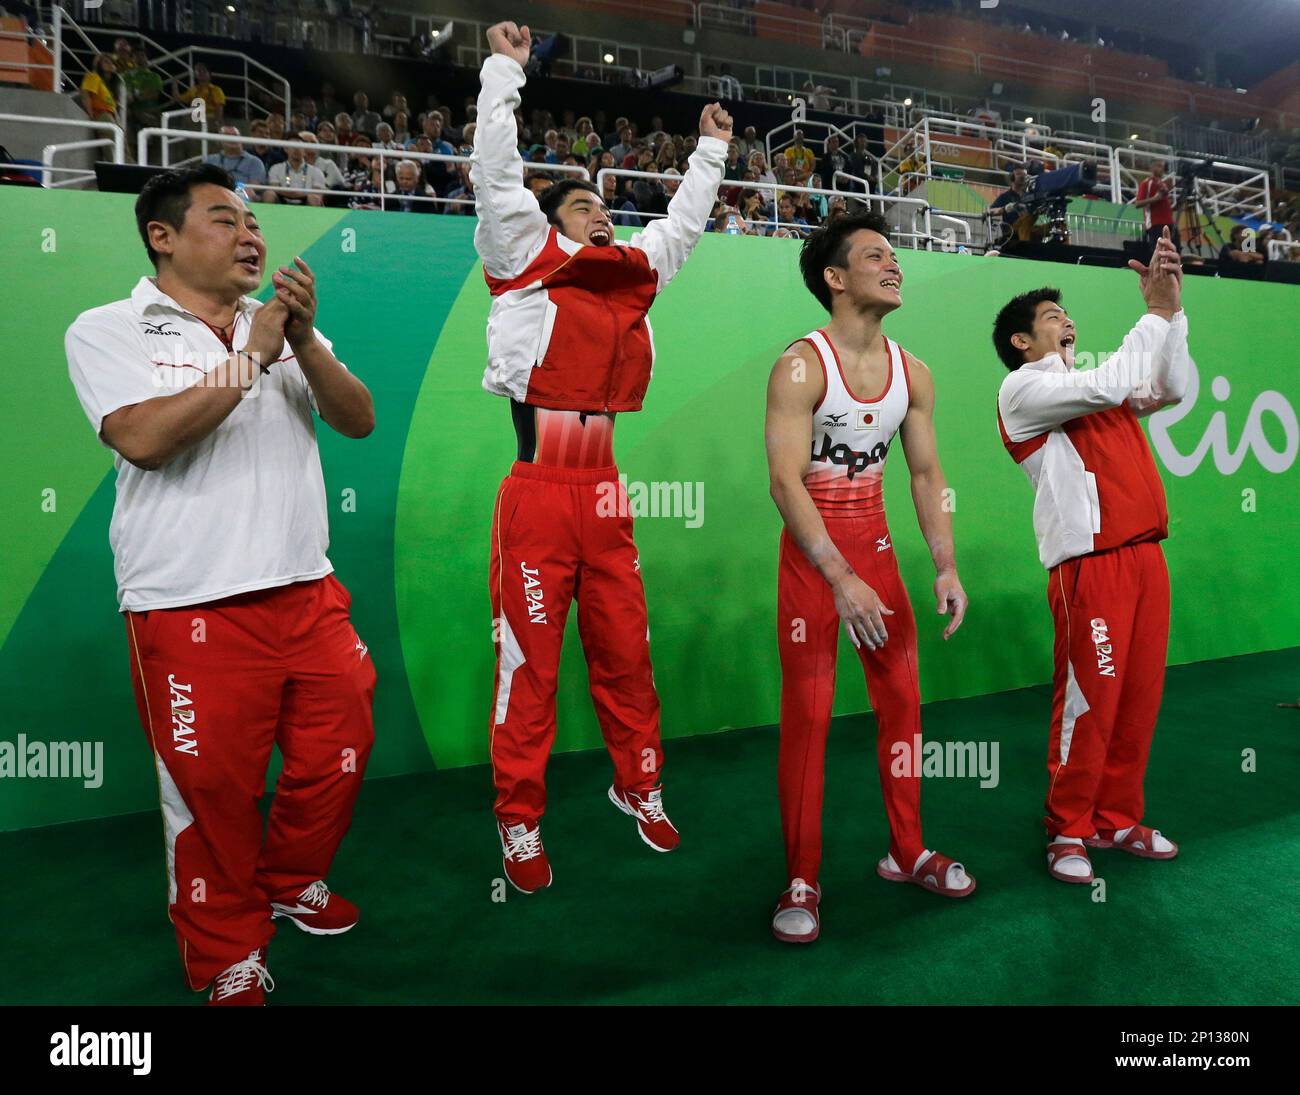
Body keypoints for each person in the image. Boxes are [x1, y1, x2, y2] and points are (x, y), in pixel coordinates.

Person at [63, 164, 376, 1004]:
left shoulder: (278, 328)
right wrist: (253, 357)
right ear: (162, 236)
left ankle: (290, 877)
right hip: (186, 603)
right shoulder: (108, 328)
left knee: (339, 754)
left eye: (253, 221)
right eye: (223, 219)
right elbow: (144, 439)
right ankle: (226, 947)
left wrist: (303, 340)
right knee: (212, 794)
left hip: (309, 590)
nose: (251, 235)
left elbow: (358, 418)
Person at [470, 21, 729, 892]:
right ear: (550, 221)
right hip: (539, 494)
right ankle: (518, 820)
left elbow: (683, 229)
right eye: (585, 207)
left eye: (604, 208)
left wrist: (711, 154)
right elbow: (495, 172)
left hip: (607, 497)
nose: (602, 216)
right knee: (530, 667)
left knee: (626, 652)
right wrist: (506, 70)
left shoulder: (632, 271)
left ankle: (640, 787)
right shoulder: (522, 257)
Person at [764, 210, 975, 944]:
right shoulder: (800, 364)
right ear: (834, 277)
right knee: (811, 720)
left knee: (902, 706)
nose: (895, 265)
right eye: (875, 255)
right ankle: (801, 877)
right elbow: (787, 484)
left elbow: (924, 473)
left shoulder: (912, 371)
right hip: (814, 563)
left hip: (878, 556)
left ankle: (907, 849)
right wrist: (836, 576)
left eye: (895, 255)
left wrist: (944, 563)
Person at [992, 228, 1190, 885]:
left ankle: (1118, 817)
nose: (1065, 318)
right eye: (1051, 317)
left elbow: (1172, 386)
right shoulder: (1024, 391)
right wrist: (1153, 314)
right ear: (1022, 341)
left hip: (1144, 560)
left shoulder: (1091, 384)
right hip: (1090, 568)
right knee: (1088, 701)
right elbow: (1116, 382)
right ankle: (1068, 826)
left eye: (1064, 311)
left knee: (1138, 699)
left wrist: (1176, 312)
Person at [1134, 159, 1180, 257]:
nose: (1162, 169)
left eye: (1162, 166)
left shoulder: (1162, 184)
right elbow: (1138, 203)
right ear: (1152, 168)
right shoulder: (1147, 183)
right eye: (1159, 166)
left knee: (1175, 251)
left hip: (1170, 223)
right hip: (1156, 224)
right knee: (1159, 254)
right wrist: (1155, 198)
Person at [205, 126, 267, 196]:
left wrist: (233, 191)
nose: (232, 139)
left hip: (241, 195)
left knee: (249, 192)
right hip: (215, 193)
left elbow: (255, 186)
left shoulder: (255, 162)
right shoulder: (211, 160)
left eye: (235, 135)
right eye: (227, 135)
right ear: (219, 141)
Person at [264, 140, 327, 206]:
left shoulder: (316, 171)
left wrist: (296, 194)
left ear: (305, 152)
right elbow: (274, 187)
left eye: (300, 147)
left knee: (314, 198)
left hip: (305, 200)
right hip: (282, 198)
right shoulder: (276, 168)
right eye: (293, 147)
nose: (296, 150)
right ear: (286, 149)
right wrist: (293, 194)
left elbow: (317, 192)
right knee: (269, 194)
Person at [990, 163, 1032, 243]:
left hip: (1028, 232)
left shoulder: (1030, 196)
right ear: (1012, 177)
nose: (1022, 176)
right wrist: (1006, 208)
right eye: (1018, 174)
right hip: (1011, 234)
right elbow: (989, 211)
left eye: (1024, 174)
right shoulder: (1005, 196)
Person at [80, 54, 118, 122]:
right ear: (98, 64)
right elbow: (85, 94)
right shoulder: (93, 76)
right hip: (100, 114)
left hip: (111, 116)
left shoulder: (108, 86)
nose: (110, 64)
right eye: (106, 62)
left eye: (111, 63)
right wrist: (90, 115)